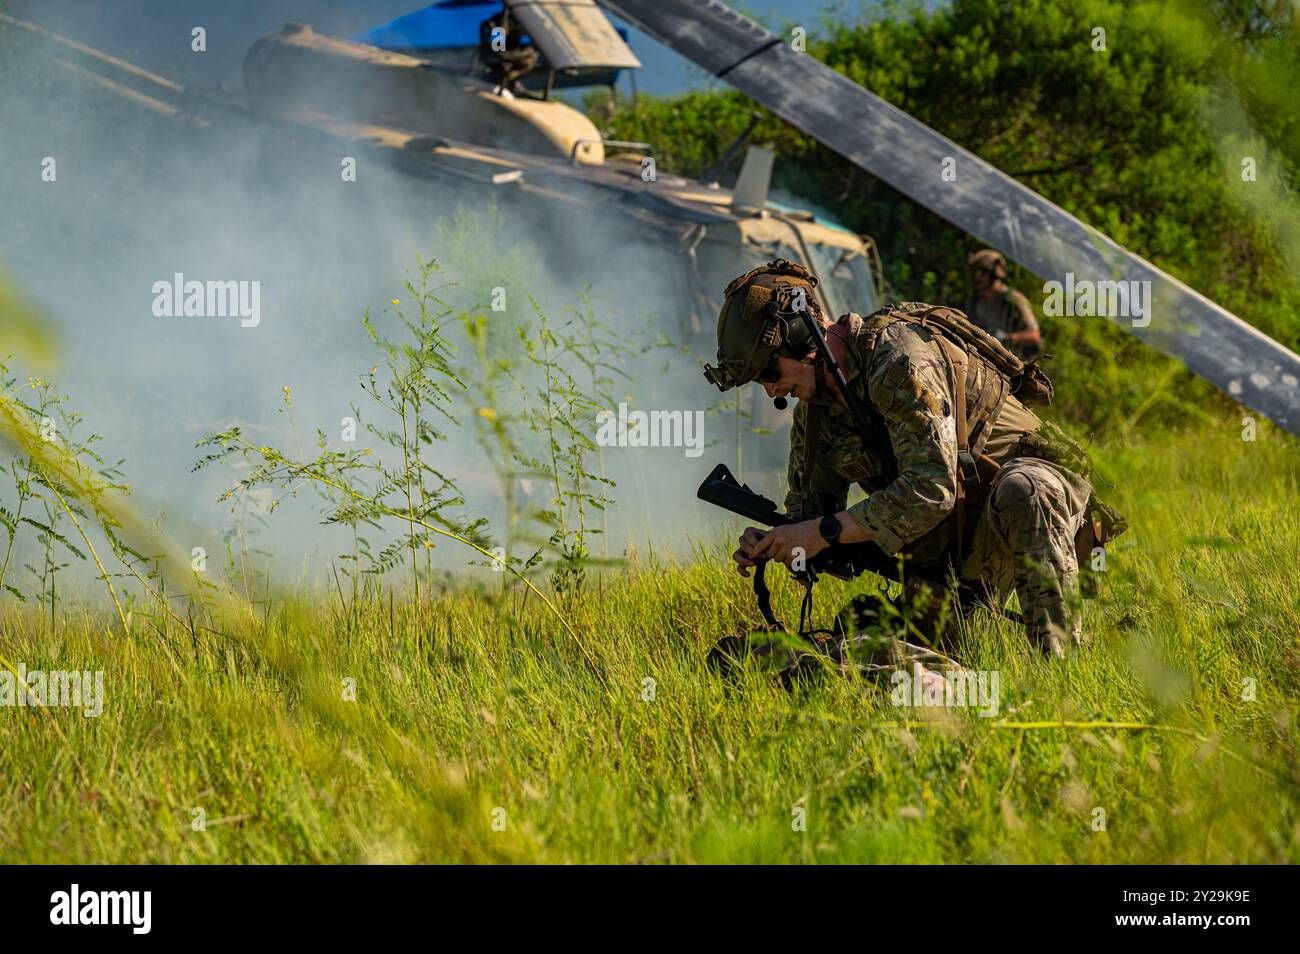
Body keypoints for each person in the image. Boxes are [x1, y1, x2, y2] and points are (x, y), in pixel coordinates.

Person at [702, 259, 1124, 658]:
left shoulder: (899, 359)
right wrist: (778, 542)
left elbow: (932, 488)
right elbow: (811, 526)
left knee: (1023, 489)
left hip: (1034, 512)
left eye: (770, 374)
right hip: (955, 552)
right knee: (910, 656)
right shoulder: (816, 419)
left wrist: (823, 530)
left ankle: (1059, 663)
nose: (771, 391)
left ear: (805, 338)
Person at [965, 249, 1042, 361]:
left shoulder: (1012, 299)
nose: (978, 276)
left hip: (1011, 362)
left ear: (993, 273)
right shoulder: (976, 300)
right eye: (975, 271)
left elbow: (1034, 336)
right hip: (982, 356)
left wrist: (1007, 338)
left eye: (982, 272)